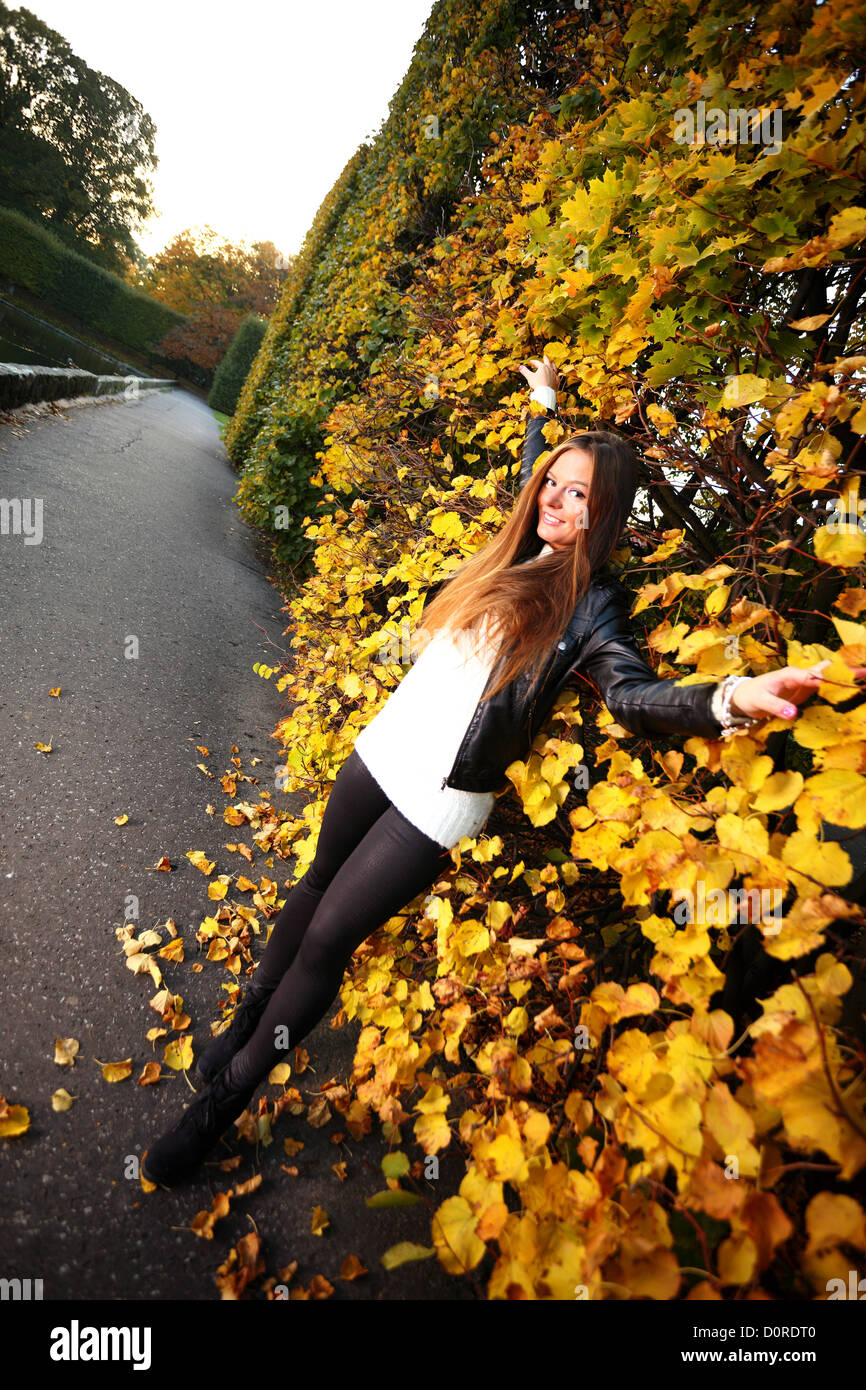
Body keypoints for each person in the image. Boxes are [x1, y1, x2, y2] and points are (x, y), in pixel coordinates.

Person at [141, 356, 835, 1186]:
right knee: (315, 883)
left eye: (582, 495)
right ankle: (248, 1015)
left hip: (439, 800)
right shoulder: (515, 544)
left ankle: (221, 1102)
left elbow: (633, 693)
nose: (557, 500)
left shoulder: (591, 605)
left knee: (330, 939)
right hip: (384, 746)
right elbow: (529, 471)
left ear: (606, 515)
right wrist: (542, 409)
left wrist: (730, 696)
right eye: (555, 484)